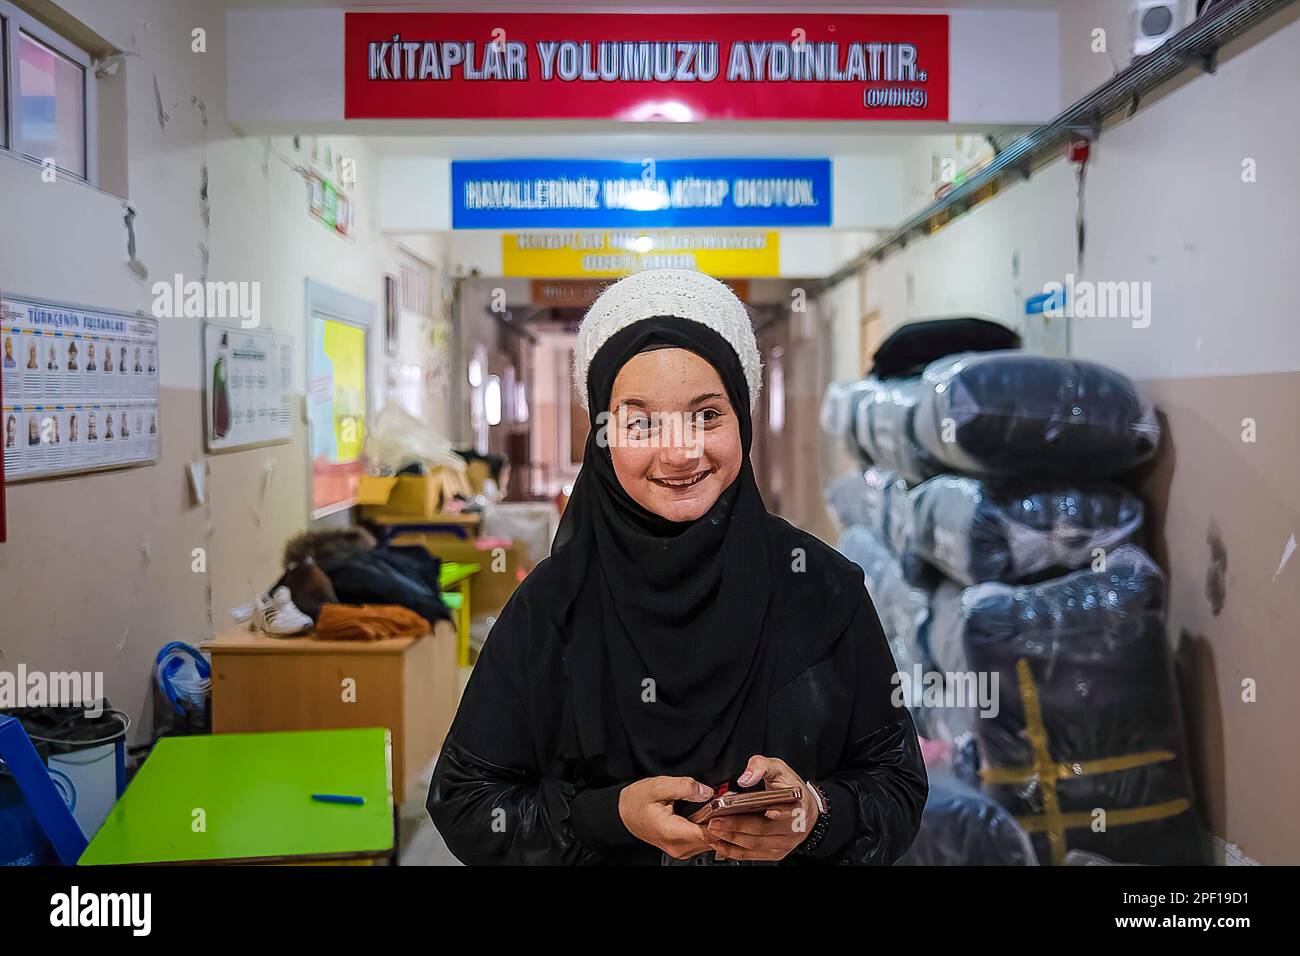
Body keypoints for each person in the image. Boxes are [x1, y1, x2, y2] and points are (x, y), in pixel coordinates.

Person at [427, 270, 927, 866]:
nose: (680, 451)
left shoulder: (821, 589)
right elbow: (467, 801)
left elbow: (896, 786)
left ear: (742, 416)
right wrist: (607, 817)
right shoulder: (552, 606)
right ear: (603, 434)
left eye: (707, 415)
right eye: (640, 422)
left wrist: (817, 813)